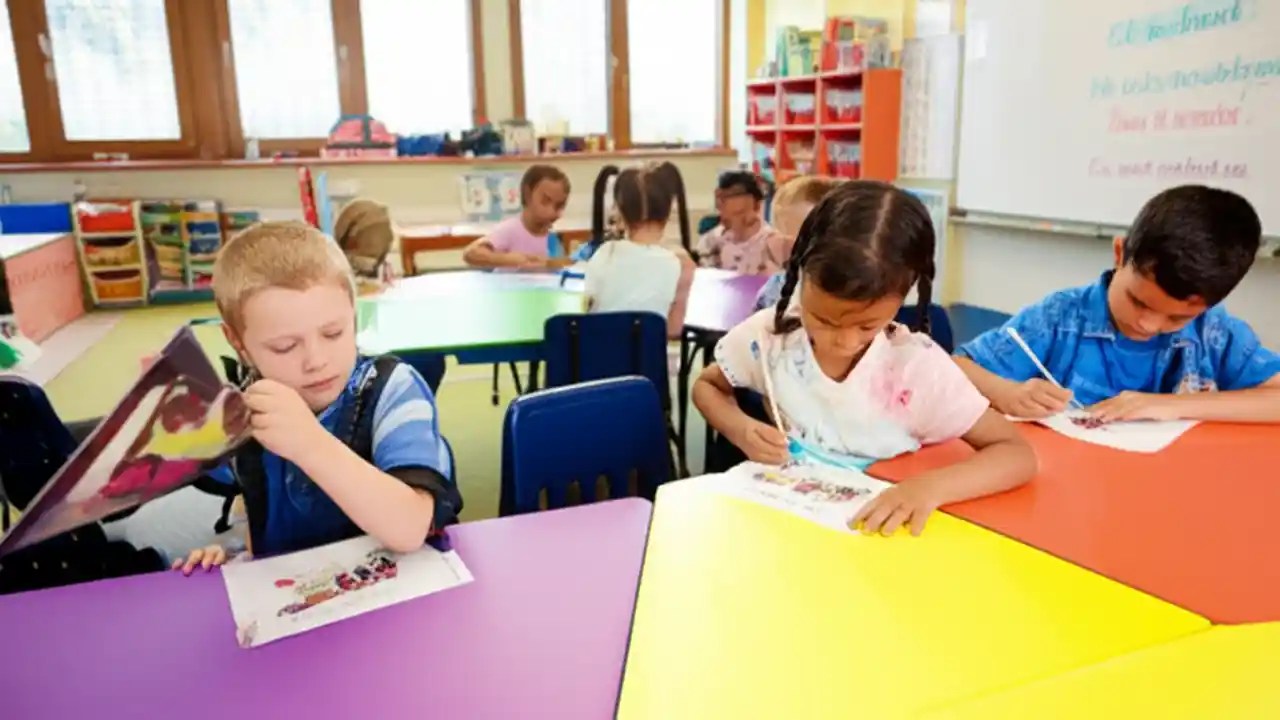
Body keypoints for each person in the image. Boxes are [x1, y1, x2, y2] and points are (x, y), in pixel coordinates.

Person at [692, 181, 1035, 536]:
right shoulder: (770, 337)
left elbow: (1016, 454)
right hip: (792, 532)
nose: (843, 341)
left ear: (903, 296)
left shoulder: (915, 368)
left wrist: (928, 488)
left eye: (867, 325)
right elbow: (708, 385)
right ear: (801, 271)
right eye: (824, 319)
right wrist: (740, 428)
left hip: (884, 542)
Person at [175, 221, 462, 573]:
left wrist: (309, 444)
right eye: (285, 346)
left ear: (354, 315)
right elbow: (247, 506)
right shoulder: (239, 408)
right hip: (290, 596)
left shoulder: (393, 390)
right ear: (238, 343)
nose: (316, 361)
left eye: (333, 333)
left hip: (396, 592)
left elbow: (410, 527)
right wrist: (230, 551)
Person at [955, 185, 1280, 423]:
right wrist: (1005, 392)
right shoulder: (1059, 319)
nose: (1149, 325)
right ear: (1120, 254)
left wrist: (1171, 405)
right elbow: (954, 367)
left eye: (1176, 319)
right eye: (1138, 302)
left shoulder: (1212, 330)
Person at [583, 162, 696, 338]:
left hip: (596, 359)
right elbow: (674, 330)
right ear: (668, 211)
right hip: (649, 362)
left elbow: (588, 308)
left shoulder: (605, 253)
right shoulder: (683, 264)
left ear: (620, 211)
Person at [754, 176, 844, 310]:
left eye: (802, 236)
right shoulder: (774, 288)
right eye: (779, 231)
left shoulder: (845, 290)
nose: (787, 244)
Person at [462, 164, 571, 270]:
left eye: (559, 206)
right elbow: (471, 254)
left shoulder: (552, 239)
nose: (552, 212)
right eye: (545, 202)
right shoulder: (510, 229)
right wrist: (508, 260)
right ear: (528, 194)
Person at [695, 171, 788, 274]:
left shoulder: (774, 244)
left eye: (741, 215)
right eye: (729, 218)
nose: (736, 225)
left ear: (757, 206)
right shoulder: (709, 243)